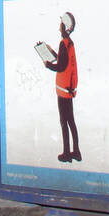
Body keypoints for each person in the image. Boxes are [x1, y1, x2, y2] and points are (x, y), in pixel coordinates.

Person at [43, 12, 81, 163]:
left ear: (64, 25)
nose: (59, 25)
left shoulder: (63, 43)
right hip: (69, 89)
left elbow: (61, 65)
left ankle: (66, 153)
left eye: (61, 23)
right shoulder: (69, 42)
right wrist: (51, 51)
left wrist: (48, 65)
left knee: (63, 121)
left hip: (63, 90)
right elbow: (64, 60)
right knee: (71, 121)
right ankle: (76, 152)